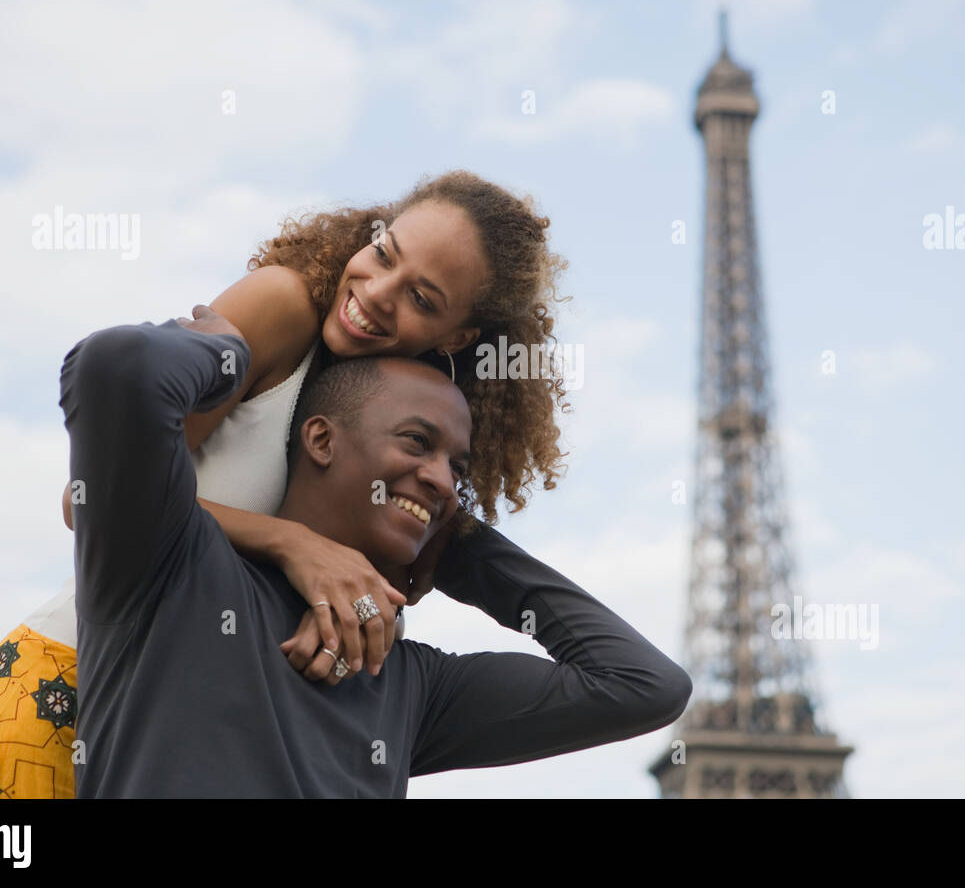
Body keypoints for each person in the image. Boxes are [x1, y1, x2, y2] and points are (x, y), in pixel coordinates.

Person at [0, 170, 571, 799]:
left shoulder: (402, 429)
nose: (375, 290)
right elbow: (86, 501)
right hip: (62, 691)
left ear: (459, 336)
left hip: (182, 736)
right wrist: (290, 543)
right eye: (383, 250)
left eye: (421, 297)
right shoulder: (282, 306)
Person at [66, 308, 690, 796]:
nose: (444, 480)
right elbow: (117, 367)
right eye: (418, 443)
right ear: (320, 439)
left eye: (457, 470)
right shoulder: (168, 565)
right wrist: (227, 354)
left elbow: (644, 685)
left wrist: (455, 545)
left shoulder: (408, 683)